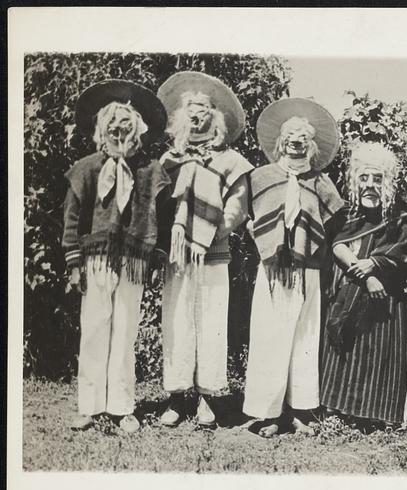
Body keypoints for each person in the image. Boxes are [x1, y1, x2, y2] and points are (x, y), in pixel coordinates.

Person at [63, 80, 172, 433]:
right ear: (101, 128)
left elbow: (164, 219)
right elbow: (72, 219)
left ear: (137, 128)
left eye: (125, 122)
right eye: (111, 121)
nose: (118, 128)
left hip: (133, 261)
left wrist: (155, 260)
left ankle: (123, 407)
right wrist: (74, 263)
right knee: (94, 329)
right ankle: (89, 406)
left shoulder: (151, 171)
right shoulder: (86, 168)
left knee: (125, 331)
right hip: (95, 258)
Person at [242, 98, 346, 437]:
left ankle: (301, 411)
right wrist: (260, 234)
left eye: (303, 136)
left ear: (311, 144)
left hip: (309, 269)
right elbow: (244, 213)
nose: (296, 141)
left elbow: (336, 223)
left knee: (305, 336)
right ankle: (269, 414)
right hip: (272, 269)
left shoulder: (321, 182)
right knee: (269, 336)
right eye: (290, 135)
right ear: (281, 140)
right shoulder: (261, 177)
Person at [156, 71, 254, 428]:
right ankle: (176, 396)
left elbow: (238, 209)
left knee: (210, 322)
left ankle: (207, 398)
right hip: (178, 256)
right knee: (177, 321)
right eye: (191, 108)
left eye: (203, 108)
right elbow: (159, 207)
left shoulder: (231, 161)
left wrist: (207, 235)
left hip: (213, 255)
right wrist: (175, 238)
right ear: (181, 116)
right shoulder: (170, 160)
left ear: (215, 117)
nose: (197, 114)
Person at [319, 141, 407, 430]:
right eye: (364, 178)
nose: (370, 185)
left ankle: (377, 412)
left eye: (377, 178)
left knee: (380, 353)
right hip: (350, 292)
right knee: (345, 350)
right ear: (354, 180)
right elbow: (338, 246)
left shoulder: (399, 215)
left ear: (387, 182)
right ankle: (337, 410)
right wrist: (366, 275)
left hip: (387, 297)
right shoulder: (347, 213)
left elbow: (405, 250)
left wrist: (375, 264)